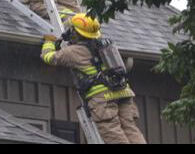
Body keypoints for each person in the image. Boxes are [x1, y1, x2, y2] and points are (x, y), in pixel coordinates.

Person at [40, 13, 147, 144]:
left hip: (103, 98)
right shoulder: (104, 45)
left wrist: (49, 42)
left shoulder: (74, 51)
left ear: (76, 32)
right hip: (124, 91)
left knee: (113, 132)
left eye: (71, 29)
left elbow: (49, 57)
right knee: (130, 129)